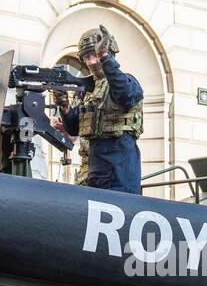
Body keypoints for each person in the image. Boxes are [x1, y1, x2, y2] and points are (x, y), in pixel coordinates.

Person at [57, 26, 144, 193]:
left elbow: (124, 94)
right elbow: (75, 127)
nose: (91, 62)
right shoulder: (89, 91)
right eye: (86, 57)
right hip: (93, 173)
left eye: (95, 56)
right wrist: (65, 106)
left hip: (120, 173)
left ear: (109, 53)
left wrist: (105, 58)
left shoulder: (126, 81)